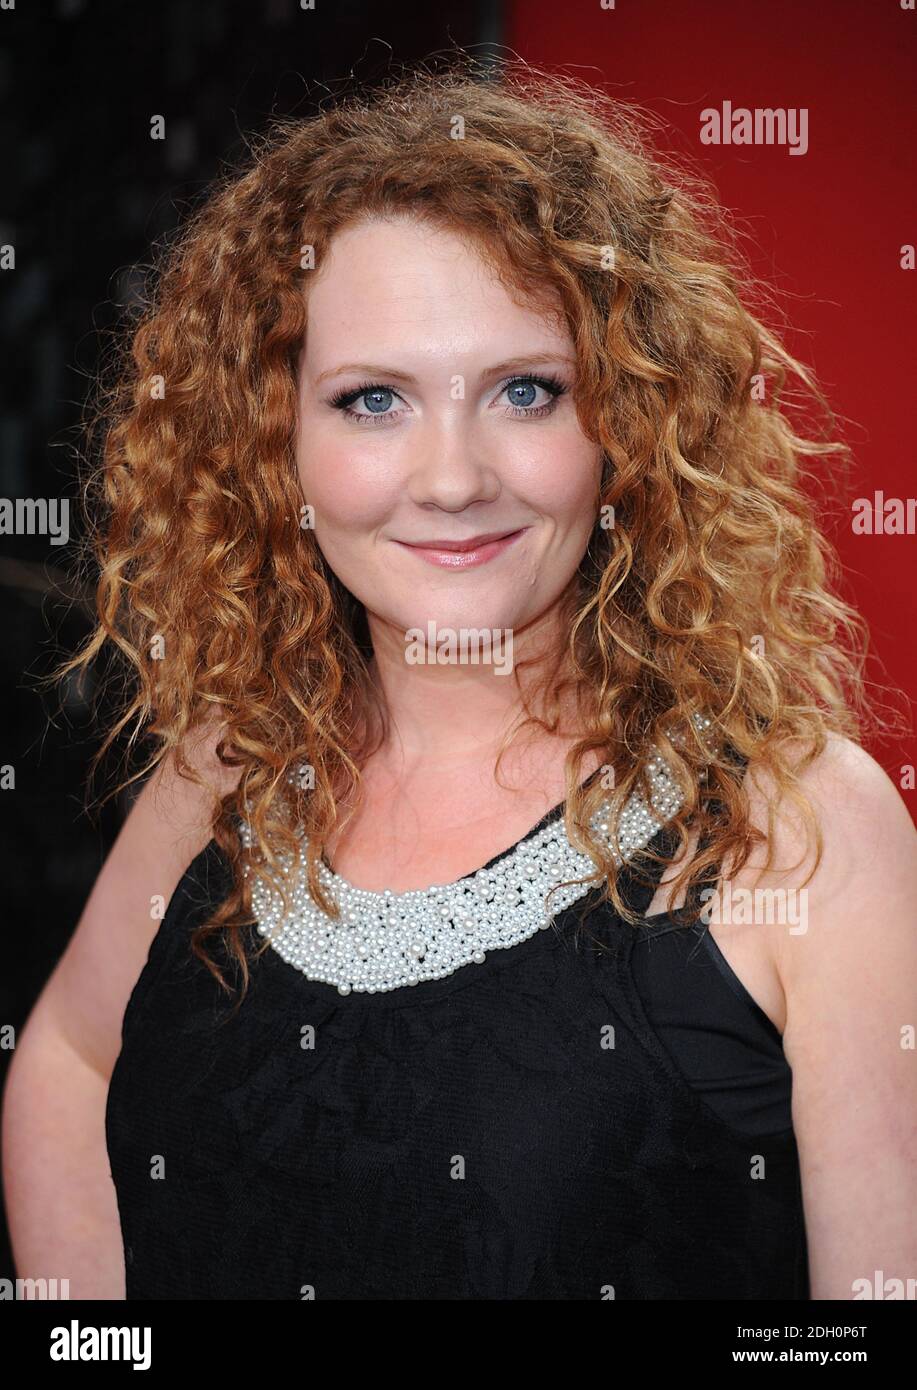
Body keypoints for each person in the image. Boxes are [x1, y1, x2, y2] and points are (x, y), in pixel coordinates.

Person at [4, 56, 916, 1301]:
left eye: (525, 391)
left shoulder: (796, 828)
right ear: (280, 447)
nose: (449, 477)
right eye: (371, 399)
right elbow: (65, 1056)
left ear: (629, 425)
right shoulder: (230, 765)